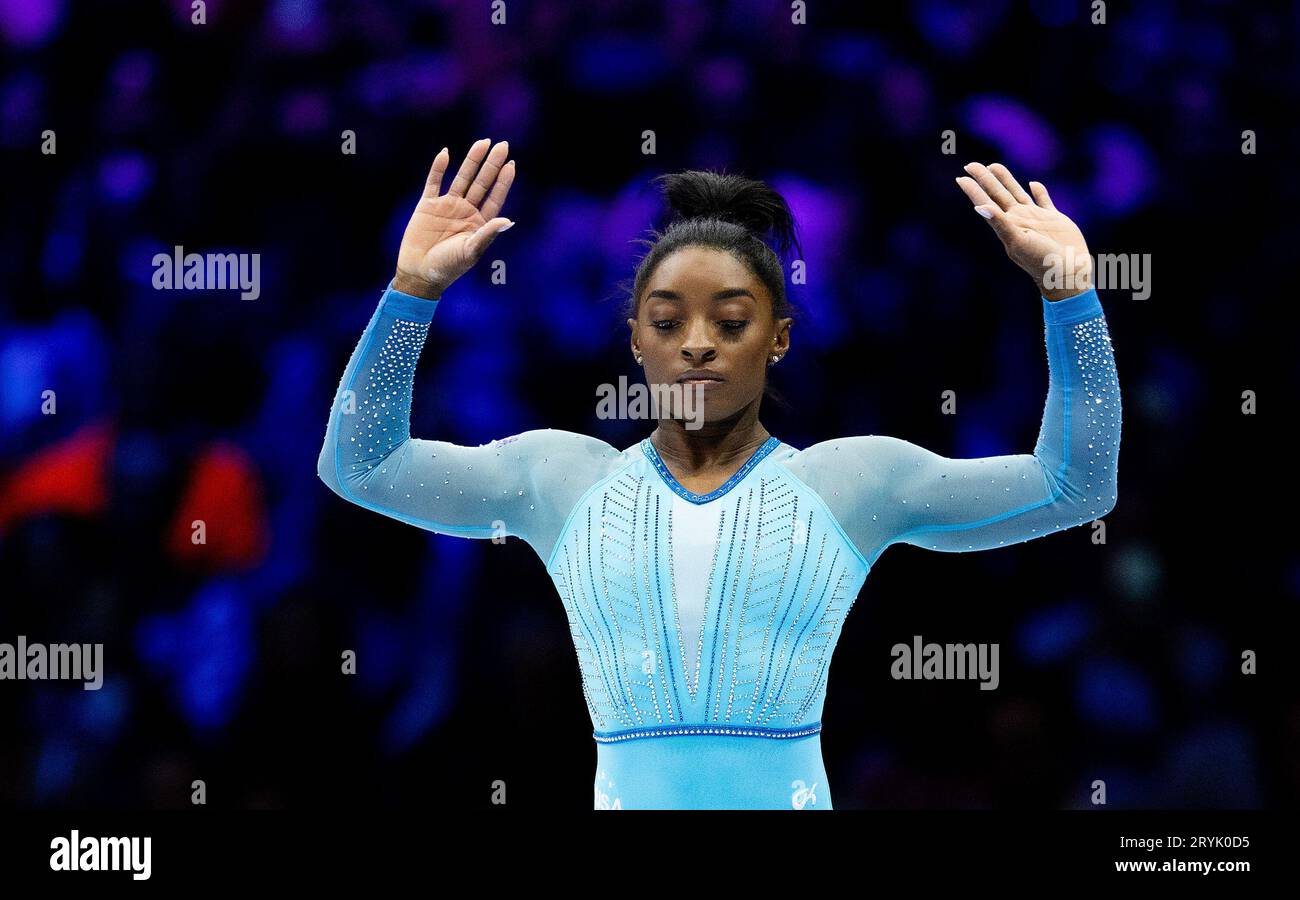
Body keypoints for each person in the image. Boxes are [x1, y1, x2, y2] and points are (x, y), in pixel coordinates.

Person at [317, 138, 1121, 809]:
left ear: (779, 337)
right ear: (636, 340)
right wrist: (412, 291)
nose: (697, 343)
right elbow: (362, 465)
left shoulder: (849, 484)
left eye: (731, 321)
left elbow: (1073, 486)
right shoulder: (563, 479)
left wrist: (1070, 295)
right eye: (668, 321)